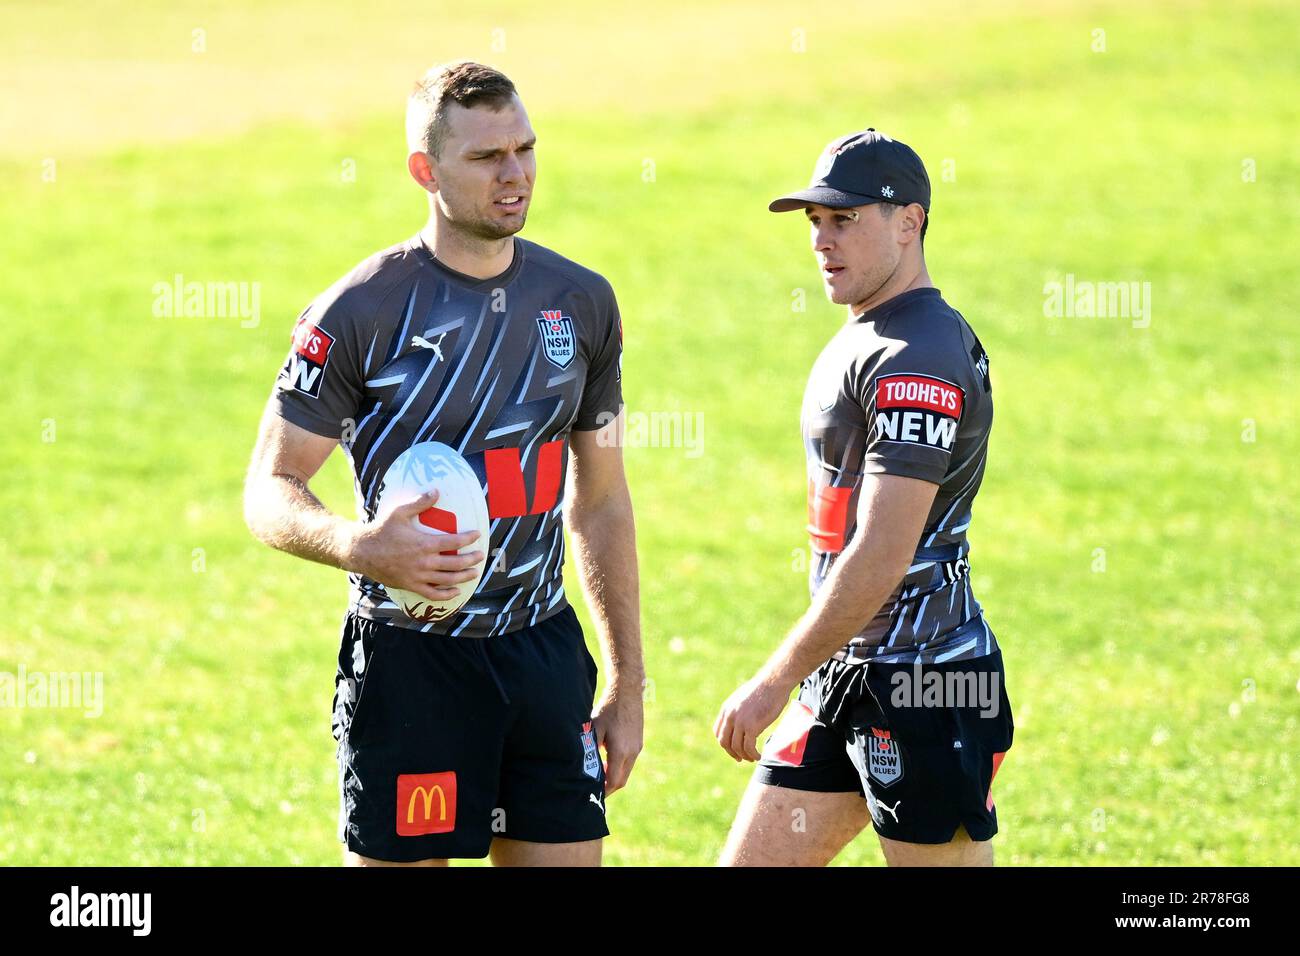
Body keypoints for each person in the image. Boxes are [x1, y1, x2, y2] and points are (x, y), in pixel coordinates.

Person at [243, 61, 643, 867]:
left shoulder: (582, 303)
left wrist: (628, 682)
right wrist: (357, 546)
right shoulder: (359, 311)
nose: (515, 173)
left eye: (525, 148)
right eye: (486, 157)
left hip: (542, 654)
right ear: (425, 171)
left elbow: (599, 500)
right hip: (410, 663)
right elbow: (269, 487)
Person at [714, 129, 1012, 866]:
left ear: (909, 222)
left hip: (925, 688)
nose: (822, 239)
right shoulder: (875, 333)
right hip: (845, 675)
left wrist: (771, 681)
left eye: (845, 219)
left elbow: (882, 550)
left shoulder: (920, 357)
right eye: (815, 221)